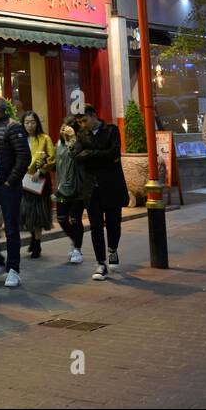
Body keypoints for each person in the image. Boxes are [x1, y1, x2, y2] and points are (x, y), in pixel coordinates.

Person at [74, 104, 128, 280]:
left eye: (84, 120)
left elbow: (113, 153)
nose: (82, 125)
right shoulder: (81, 134)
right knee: (95, 226)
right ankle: (100, 263)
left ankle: (112, 249)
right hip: (91, 188)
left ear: (94, 116)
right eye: (80, 122)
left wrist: (91, 153)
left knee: (113, 223)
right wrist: (98, 155)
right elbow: (77, 157)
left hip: (111, 185)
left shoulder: (111, 130)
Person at [0, 95, 30, 288]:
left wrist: (11, 181)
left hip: (8, 187)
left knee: (11, 228)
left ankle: (13, 269)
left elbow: (23, 157)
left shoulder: (13, 127)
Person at [52, 116, 91, 266]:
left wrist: (73, 138)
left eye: (69, 127)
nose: (65, 129)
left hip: (78, 187)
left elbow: (76, 156)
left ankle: (77, 249)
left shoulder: (79, 143)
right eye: (63, 126)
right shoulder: (59, 144)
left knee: (75, 219)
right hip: (62, 188)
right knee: (61, 219)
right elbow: (57, 164)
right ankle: (75, 240)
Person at [20, 110, 55, 259]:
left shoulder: (44, 138)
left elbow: (52, 159)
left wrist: (40, 171)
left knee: (38, 213)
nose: (29, 125)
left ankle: (37, 243)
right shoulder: (20, 139)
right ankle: (33, 240)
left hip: (39, 181)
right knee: (27, 212)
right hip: (23, 180)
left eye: (32, 122)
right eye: (27, 122)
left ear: (37, 123)